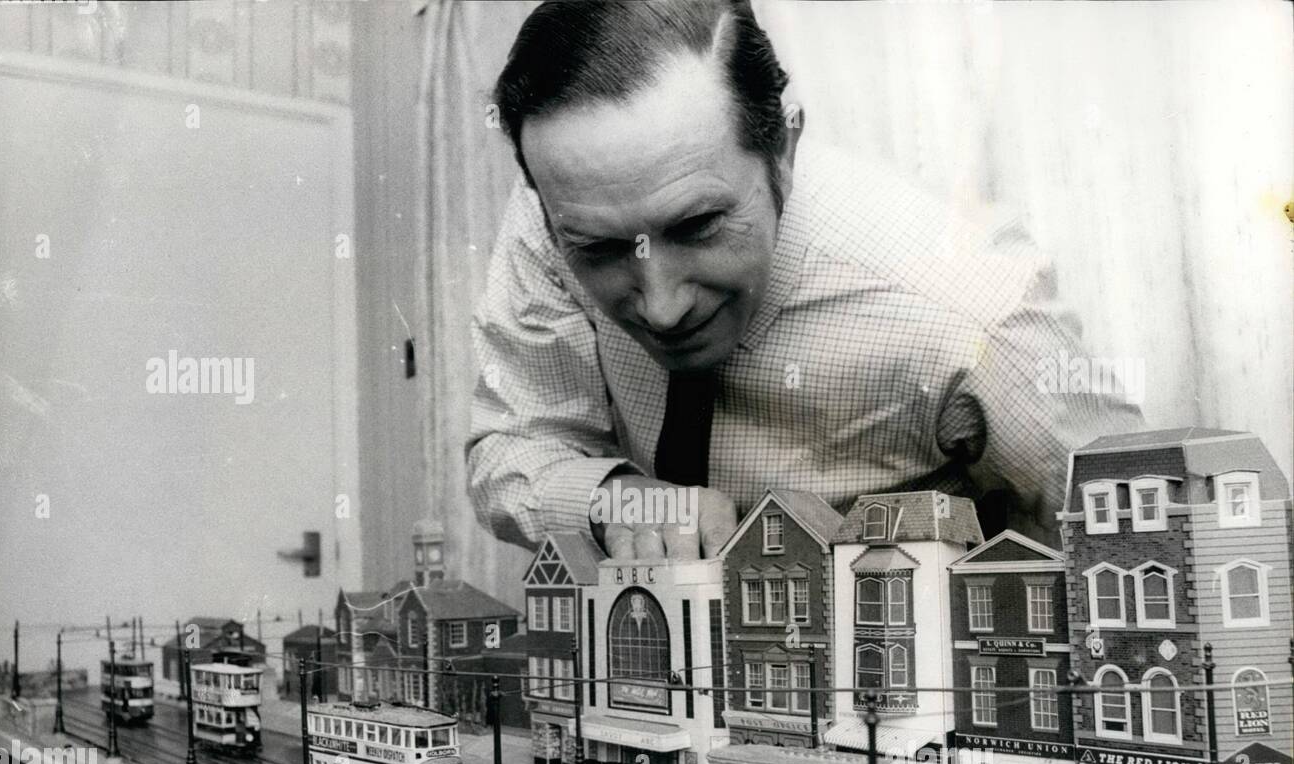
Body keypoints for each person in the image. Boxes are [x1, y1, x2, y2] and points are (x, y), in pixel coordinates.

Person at [467, 0, 1143, 560]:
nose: (664, 307)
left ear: (783, 150)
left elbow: (1138, 536)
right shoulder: (558, 211)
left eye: (698, 224)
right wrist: (617, 498)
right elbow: (514, 441)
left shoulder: (972, 304)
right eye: (603, 250)